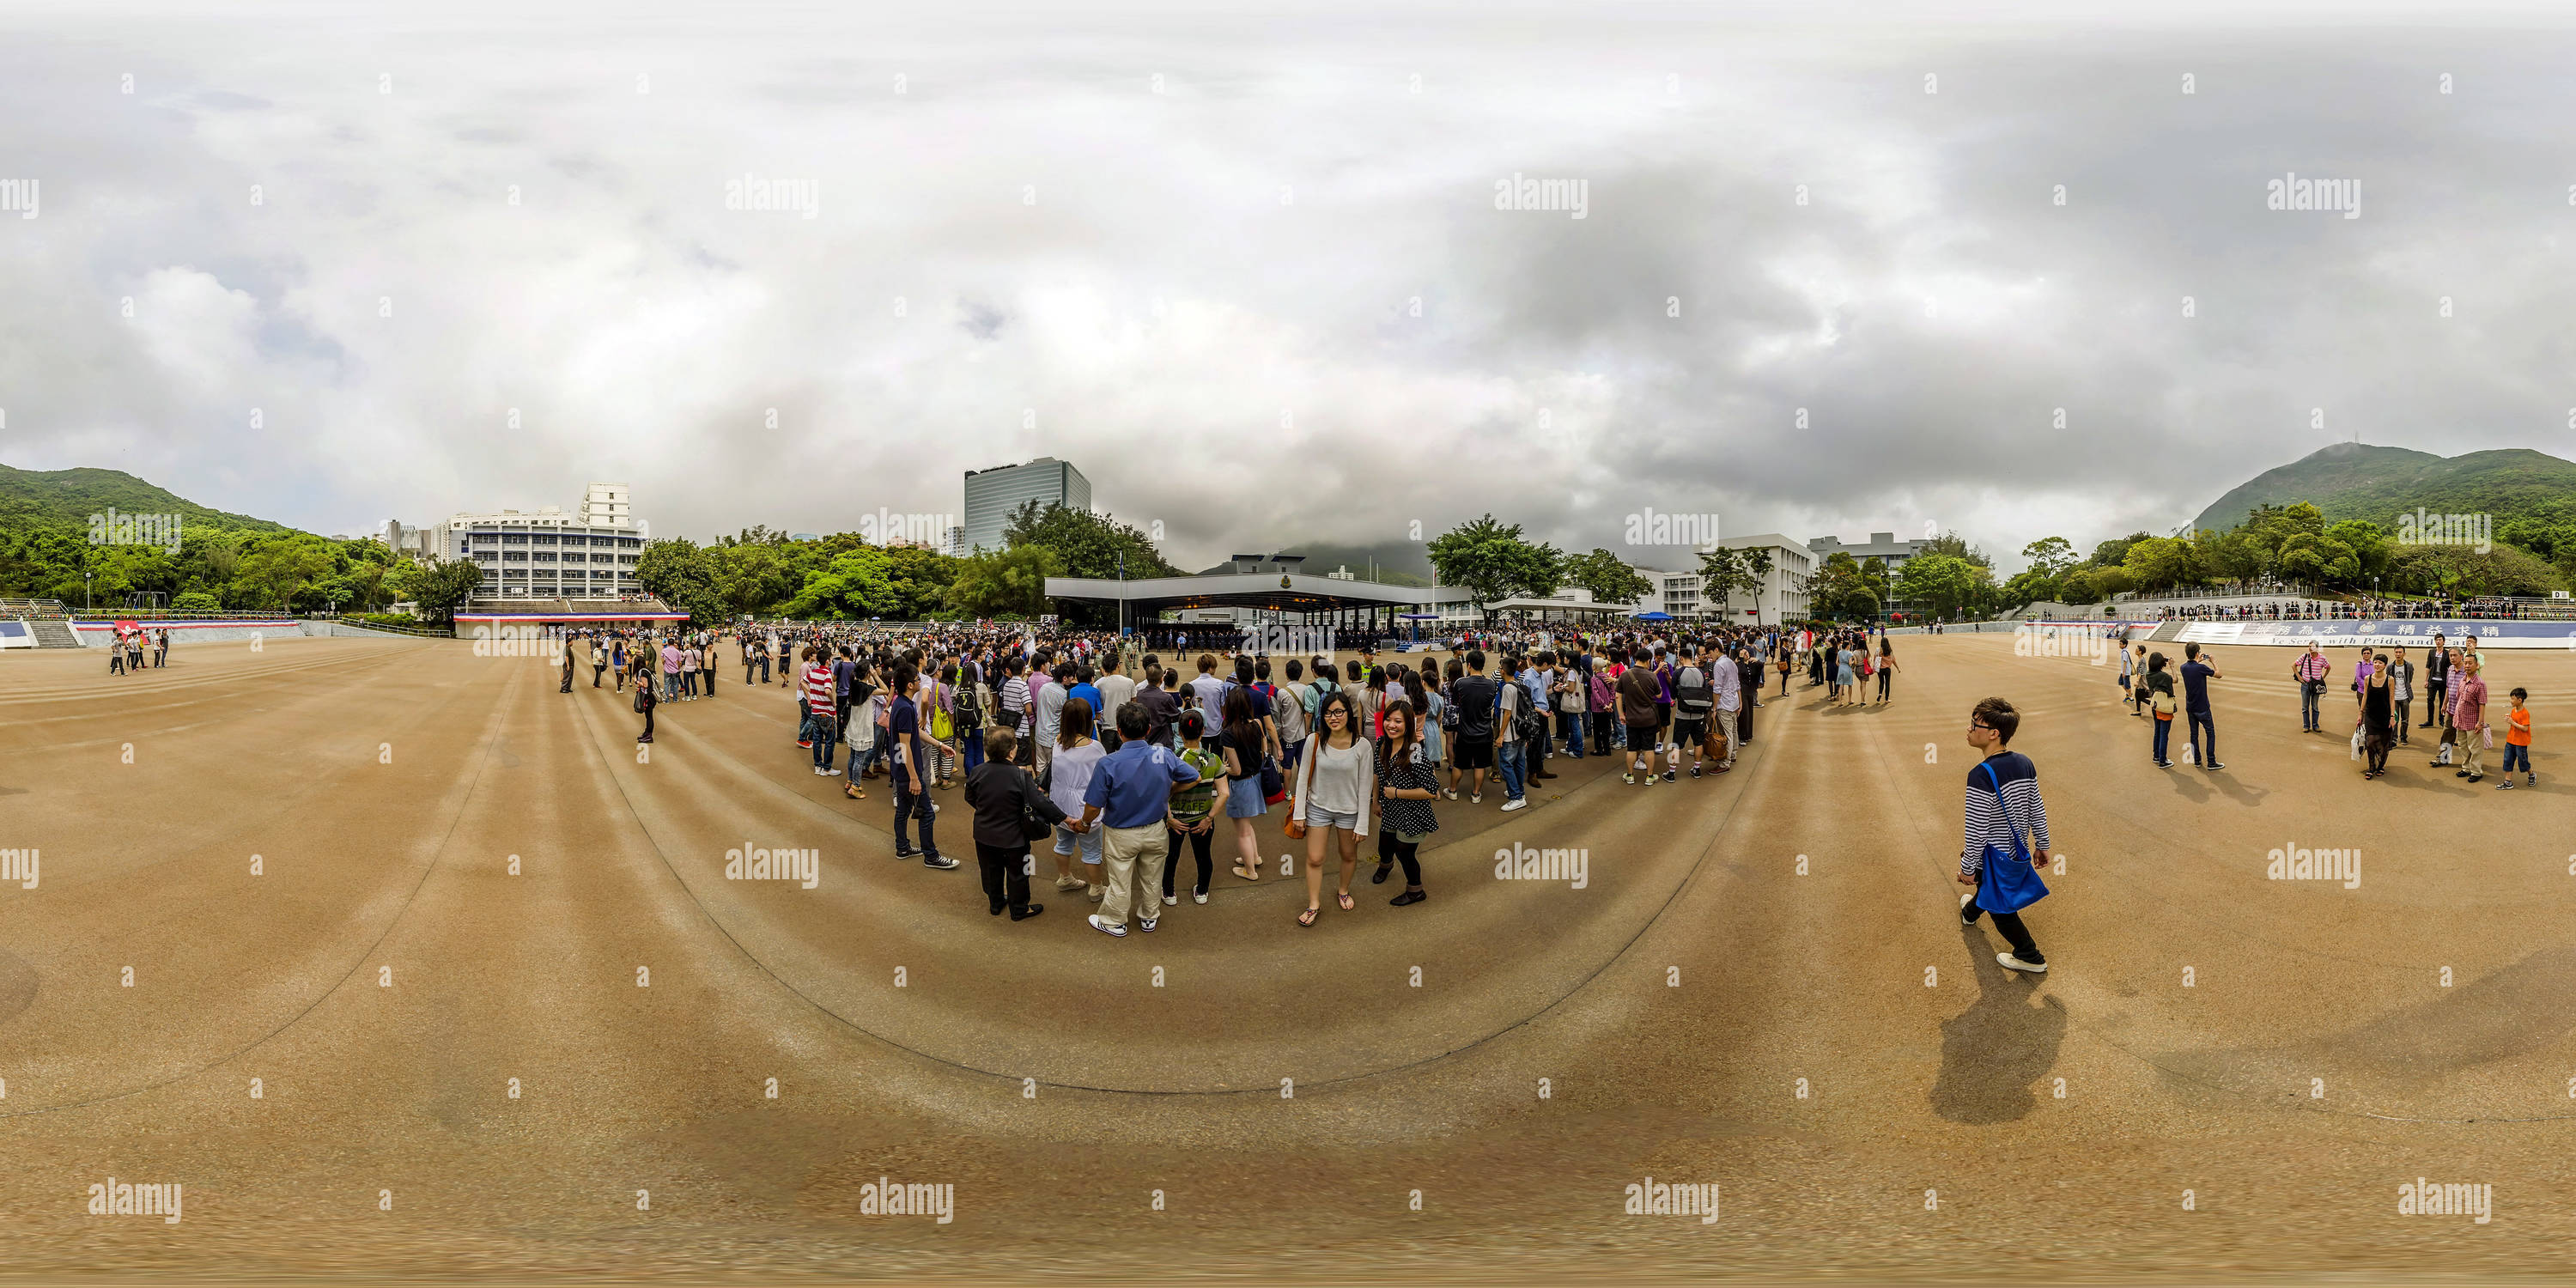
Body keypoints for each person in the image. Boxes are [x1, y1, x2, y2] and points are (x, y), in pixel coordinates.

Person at [1076, 702, 1201, 939]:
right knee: (1153, 876)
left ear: (1120, 731)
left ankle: (1115, 921)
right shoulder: (1162, 754)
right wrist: (1169, 790)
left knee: (1120, 879)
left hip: (1121, 833)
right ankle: (1149, 916)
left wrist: (1083, 823)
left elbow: (1093, 806)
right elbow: (1194, 776)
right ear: (1148, 729)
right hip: (1155, 828)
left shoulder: (1108, 763)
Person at [1957, 696, 2052, 975]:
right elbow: (2037, 807)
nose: (1969, 729)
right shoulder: (2024, 762)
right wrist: (2042, 845)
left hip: (1992, 855)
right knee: (1990, 889)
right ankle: (1971, 913)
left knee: (2001, 908)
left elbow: (1976, 832)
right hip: (2016, 851)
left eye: (1974, 725)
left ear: (1994, 734)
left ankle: (2030, 955)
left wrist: (1967, 870)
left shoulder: (1981, 775)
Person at [1291, 690, 1375, 926]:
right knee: (1315, 858)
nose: (1333, 717)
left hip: (1350, 811)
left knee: (1348, 855)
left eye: (1339, 712)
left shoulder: (1362, 746)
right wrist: (1300, 812)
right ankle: (1313, 904)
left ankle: (1343, 889)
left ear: (1348, 713)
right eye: (1328, 713)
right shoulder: (1315, 740)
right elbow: (1301, 778)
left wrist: (1363, 823)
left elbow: (1365, 785)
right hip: (1318, 807)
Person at [963, 727, 1054, 921]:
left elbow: (970, 797)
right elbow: (1040, 802)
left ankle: (995, 903)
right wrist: (1065, 818)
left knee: (990, 871)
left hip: (984, 834)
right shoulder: (1021, 776)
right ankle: (1019, 907)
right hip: (1014, 837)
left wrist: (987, 808)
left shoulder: (977, 771)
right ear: (1011, 751)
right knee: (1020, 873)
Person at [888, 662, 959, 868]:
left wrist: (938, 744)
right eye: (918, 680)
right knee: (927, 813)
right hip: (907, 770)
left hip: (901, 769)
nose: (920, 682)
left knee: (902, 811)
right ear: (910, 685)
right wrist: (914, 777)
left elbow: (914, 732)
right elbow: (904, 745)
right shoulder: (904, 708)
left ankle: (902, 847)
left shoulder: (902, 704)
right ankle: (931, 855)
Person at [1370, 700, 1439, 907]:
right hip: (1390, 808)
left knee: (1404, 852)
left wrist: (1397, 793)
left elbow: (1431, 791)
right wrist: (1376, 801)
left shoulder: (1415, 751)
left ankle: (1415, 890)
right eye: (1388, 720)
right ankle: (1385, 865)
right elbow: (1377, 773)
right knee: (1385, 843)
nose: (1391, 725)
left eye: (1398, 721)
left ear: (1408, 724)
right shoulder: (1383, 744)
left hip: (1413, 813)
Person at [1046, 697, 1107, 902]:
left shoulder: (1058, 742)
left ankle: (1065, 877)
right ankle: (1096, 888)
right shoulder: (1095, 748)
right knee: (1091, 851)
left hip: (1060, 805)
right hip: (1085, 808)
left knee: (1063, 843)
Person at [1162, 709, 1224, 905]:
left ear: (1179, 733)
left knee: (1171, 857)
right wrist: (1210, 818)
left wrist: (1170, 818)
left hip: (1176, 819)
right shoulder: (1214, 759)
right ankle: (1202, 891)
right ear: (1203, 731)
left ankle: (1169, 892)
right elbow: (1225, 793)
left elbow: (1162, 791)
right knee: (1204, 857)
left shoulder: (1171, 759)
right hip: (1202, 818)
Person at [1218, 688, 1272, 881]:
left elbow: (1236, 770)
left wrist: (1224, 769)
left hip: (1241, 785)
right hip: (1255, 779)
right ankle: (1254, 857)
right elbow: (1263, 750)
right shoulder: (1256, 724)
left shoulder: (1228, 733)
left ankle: (1250, 871)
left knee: (1242, 832)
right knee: (1247, 826)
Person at [1447, 651, 1498, 804]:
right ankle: (1476, 794)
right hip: (1484, 731)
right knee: (1480, 765)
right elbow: (1490, 704)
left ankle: (1452, 790)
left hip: (1465, 731)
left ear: (1468, 665)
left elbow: (1455, 703)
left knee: (1459, 764)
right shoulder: (1491, 684)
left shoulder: (1460, 683)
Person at [1616, 654, 1664, 785]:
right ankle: (1650, 777)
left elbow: (1618, 696)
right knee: (1648, 748)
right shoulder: (1651, 676)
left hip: (1631, 718)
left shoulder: (1625, 675)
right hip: (1649, 719)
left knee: (1631, 748)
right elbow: (1659, 695)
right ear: (1648, 661)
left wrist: (1621, 714)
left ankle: (1630, 775)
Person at [2178, 642, 2223, 770]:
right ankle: (2211, 761)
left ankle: (2197, 759)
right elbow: (2219, 674)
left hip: (2190, 707)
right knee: (2210, 732)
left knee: (2194, 734)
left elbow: (2192, 666)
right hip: (2202, 706)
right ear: (2197, 653)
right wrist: (2213, 662)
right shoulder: (2201, 668)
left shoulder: (2183, 667)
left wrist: (2197, 660)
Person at [2449, 657, 2489, 784]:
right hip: (2460, 719)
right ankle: (2466, 768)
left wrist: (2480, 722)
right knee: (2463, 746)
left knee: (2475, 748)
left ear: (2477, 665)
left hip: (2473, 721)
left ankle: (2476, 772)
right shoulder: (2462, 680)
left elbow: (2482, 704)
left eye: (2470, 663)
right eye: (2465, 663)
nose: (2467, 666)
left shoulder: (2480, 684)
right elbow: (2459, 698)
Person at [2360, 652, 2395, 779]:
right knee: (2370, 742)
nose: (2377, 664)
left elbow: (2392, 698)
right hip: (2371, 715)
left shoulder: (2390, 679)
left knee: (2384, 744)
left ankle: (2381, 766)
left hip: (2385, 716)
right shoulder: (2368, 678)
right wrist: (2361, 713)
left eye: (2380, 663)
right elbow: (2365, 696)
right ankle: (2371, 767)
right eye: (2375, 662)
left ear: (2385, 665)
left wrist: (2392, 717)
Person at [2144, 652, 2177, 768]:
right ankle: (2163, 760)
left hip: (2155, 704)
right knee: (2164, 733)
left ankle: (2156, 755)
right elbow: (2175, 679)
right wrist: (2172, 666)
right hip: (2165, 706)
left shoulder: (2149, 674)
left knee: (2157, 731)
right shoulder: (2163, 676)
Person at [2497, 687, 2534, 788]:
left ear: (2520, 700)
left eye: (2513, 699)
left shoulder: (2525, 713)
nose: (2511, 701)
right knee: (2508, 759)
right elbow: (2513, 724)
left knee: (2523, 761)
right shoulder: (2514, 710)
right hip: (2511, 740)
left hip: (2521, 742)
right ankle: (2508, 782)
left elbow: (2525, 728)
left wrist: (2512, 722)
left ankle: (2531, 774)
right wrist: (2510, 719)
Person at [2293, 642, 2330, 733]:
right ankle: (2306, 726)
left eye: (2312, 646)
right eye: (2309, 646)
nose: (2310, 648)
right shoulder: (2304, 656)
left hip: (2316, 686)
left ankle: (2315, 725)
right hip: (2305, 685)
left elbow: (2328, 667)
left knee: (2315, 707)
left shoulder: (2322, 658)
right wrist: (2299, 677)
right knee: (2305, 707)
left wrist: (2322, 678)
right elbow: (2293, 665)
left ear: (2317, 648)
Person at [2388, 647, 2415, 745]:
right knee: (2394, 719)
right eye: (2396, 652)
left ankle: (2403, 737)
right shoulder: (2390, 667)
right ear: (2394, 653)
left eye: (2400, 652)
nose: (2398, 654)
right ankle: (2393, 739)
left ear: (2404, 654)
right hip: (2394, 698)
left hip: (2405, 697)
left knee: (2405, 720)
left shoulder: (2409, 666)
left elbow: (2409, 679)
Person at [633, 660, 657, 743]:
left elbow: (645, 685)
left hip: (648, 697)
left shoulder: (642, 672)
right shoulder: (647, 670)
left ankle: (649, 736)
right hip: (651, 696)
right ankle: (647, 733)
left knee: (649, 716)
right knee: (648, 716)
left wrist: (636, 681)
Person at [1874, 638, 1899, 704]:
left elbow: (1875, 659)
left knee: (1881, 682)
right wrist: (1898, 668)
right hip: (1887, 669)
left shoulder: (1878, 650)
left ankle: (1880, 693)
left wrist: (1875, 668)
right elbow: (1893, 660)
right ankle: (1886, 699)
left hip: (1880, 669)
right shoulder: (1889, 651)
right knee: (1887, 683)